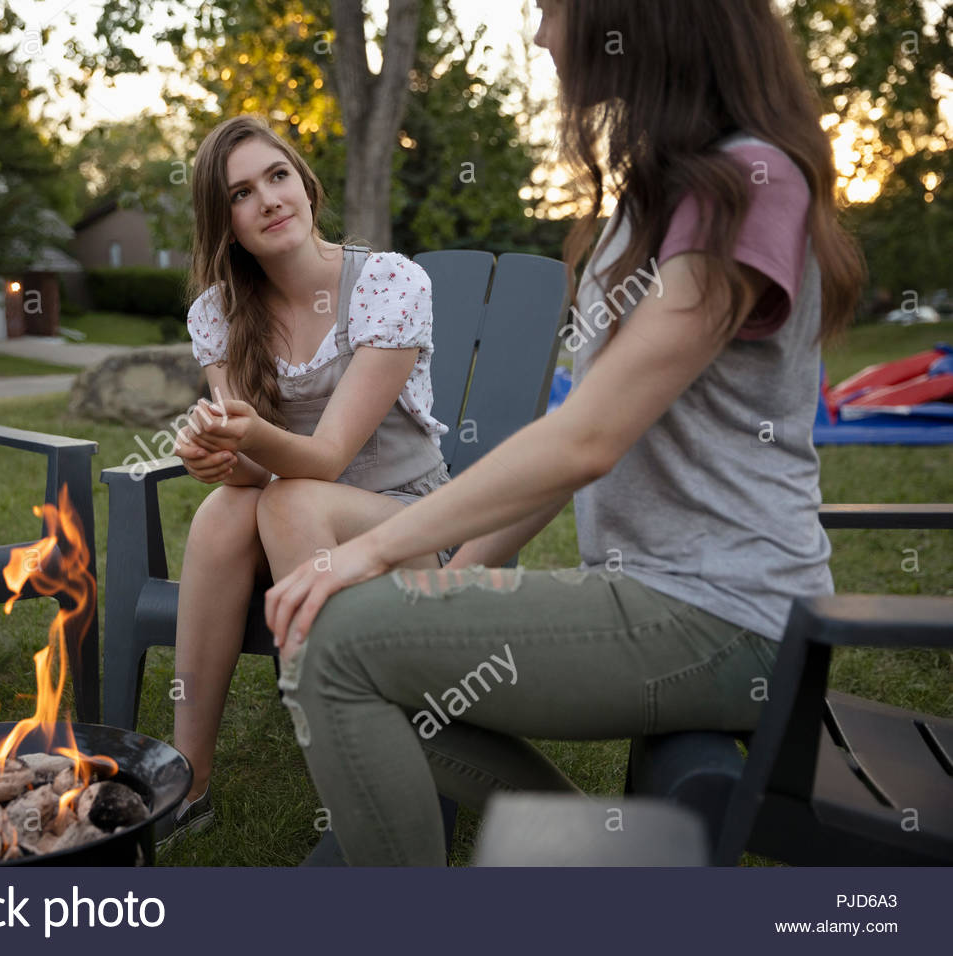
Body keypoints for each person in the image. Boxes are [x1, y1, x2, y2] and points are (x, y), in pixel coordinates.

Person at [260, 0, 866, 865]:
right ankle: (618, 860)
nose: (541, 33)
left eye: (547, 8)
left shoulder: (752, 181)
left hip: (732, 614)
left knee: (338, 651)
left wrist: (369, 550)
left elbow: (589, 440)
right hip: (664, 600)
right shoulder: (657, 196)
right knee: (339, 639)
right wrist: (454, 581)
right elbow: (571, 444)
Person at [154, 115, 453, 848]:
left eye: (277, 176)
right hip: (302, 524)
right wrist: (218, 459)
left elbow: (322, 458)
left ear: (306, 184)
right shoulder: (220, 315)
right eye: (241, 193)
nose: (268, 199)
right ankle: (188, 778)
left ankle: (357, 787)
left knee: (287, 500)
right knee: (227, 511)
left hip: (411, 532)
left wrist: (247, 438)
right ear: (223, 224)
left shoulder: (385, 284)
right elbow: (259, 467)